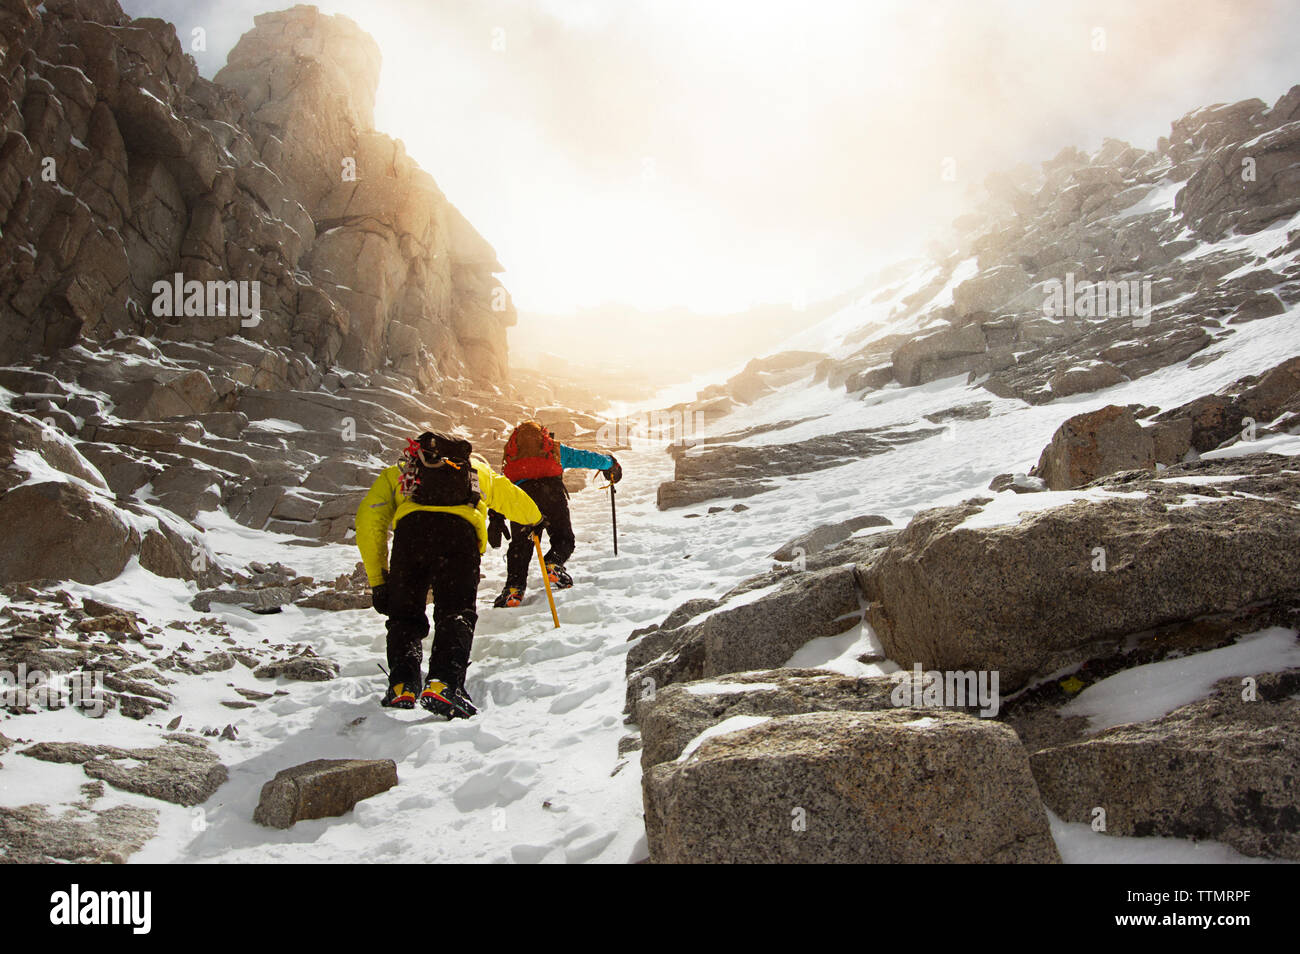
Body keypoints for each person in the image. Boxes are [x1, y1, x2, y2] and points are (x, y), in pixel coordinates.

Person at [355, 431, 542, 718]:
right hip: (459, 538)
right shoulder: (478, 472)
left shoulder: (402, 471)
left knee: (404, 614)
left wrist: (379, 580)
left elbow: (369, 520)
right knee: (455, 612)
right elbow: (520, 504)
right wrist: (536, 519)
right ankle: (444, 684)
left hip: (411, 537)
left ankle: (402, 685)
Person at [491, 420, 622, 608]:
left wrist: (496, 516)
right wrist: (610, 463)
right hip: (552, 495)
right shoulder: (554, 449)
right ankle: (553, 563)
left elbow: (502, 488)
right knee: (564, 538)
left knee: (521, 546)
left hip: (521, 499)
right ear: (542, 436)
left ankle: (513, 589)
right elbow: (583, 457)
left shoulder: (512, 456)